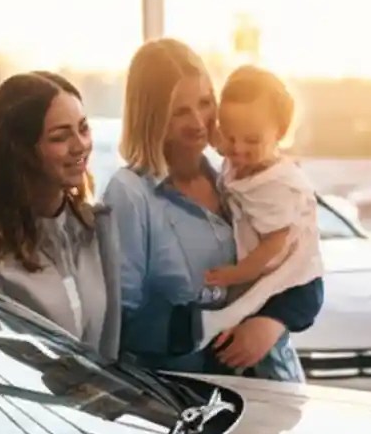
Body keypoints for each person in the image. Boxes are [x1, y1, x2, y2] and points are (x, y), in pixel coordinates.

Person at [103, 38, 319, 381]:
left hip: (267, 385)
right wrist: (206, 327)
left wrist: (269, 324)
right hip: (183, 396)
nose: (199, 121)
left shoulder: (234, 178)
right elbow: (121, 320)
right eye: (179, 111)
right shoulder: (130, 194)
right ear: (152, 115)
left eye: (205, 103)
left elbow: (297, 268)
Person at [0, 70, 121, 365]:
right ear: (21, 152)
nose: (80, 145)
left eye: (83, 128)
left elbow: (108, 352)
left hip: (93, 409)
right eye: (60, 136)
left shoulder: (91, 225)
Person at [198, 65, 325, 355]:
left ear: (279, 132)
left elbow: (274, 243)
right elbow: (218, 141)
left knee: (264, 356)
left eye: (251, 140)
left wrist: (236, 274)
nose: (237, 148)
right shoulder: (241, 155)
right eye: (229, 136)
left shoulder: (274, 185)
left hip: (295, 284)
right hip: (276, 275)